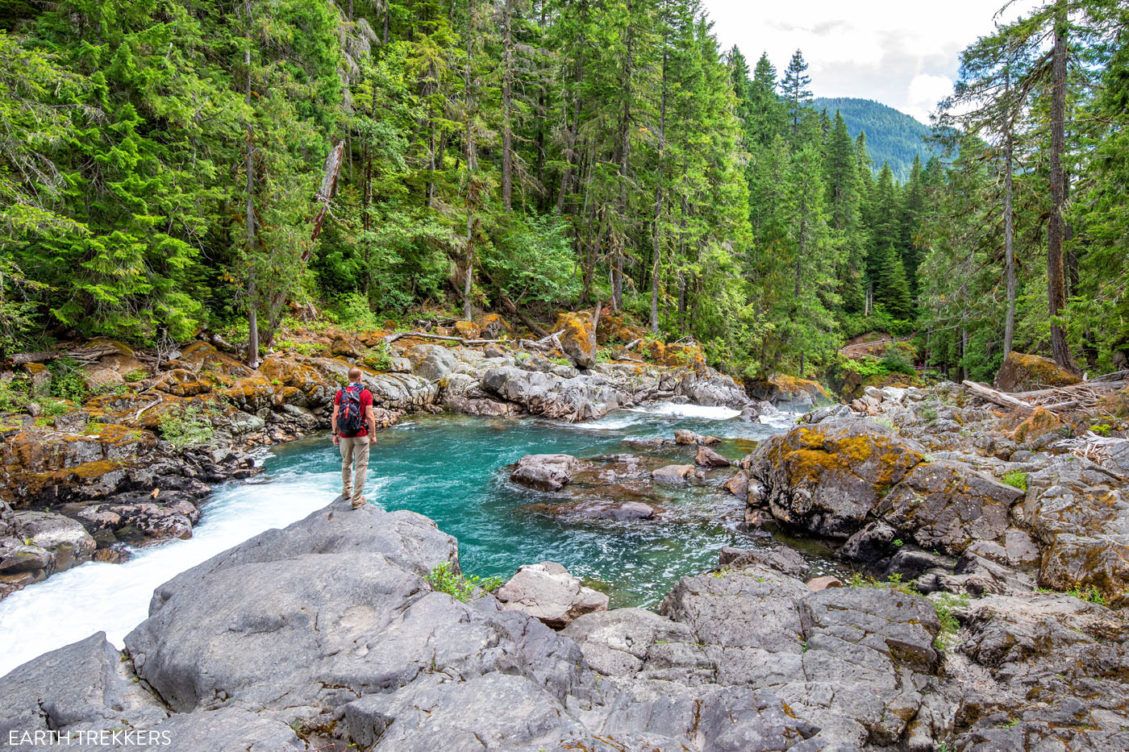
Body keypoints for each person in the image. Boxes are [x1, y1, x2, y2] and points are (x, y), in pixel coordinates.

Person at [331, 367, 377, 509]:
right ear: (359, 377)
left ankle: (346, 492)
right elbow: (369, 416)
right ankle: (356, 500)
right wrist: (373, 434)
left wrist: (334, 434)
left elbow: (335, 415)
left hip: (344, 435)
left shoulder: (341, 393)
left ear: (348, 377)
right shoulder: (365, 393)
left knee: (346, 463)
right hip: (360, 435)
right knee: (361, 466)